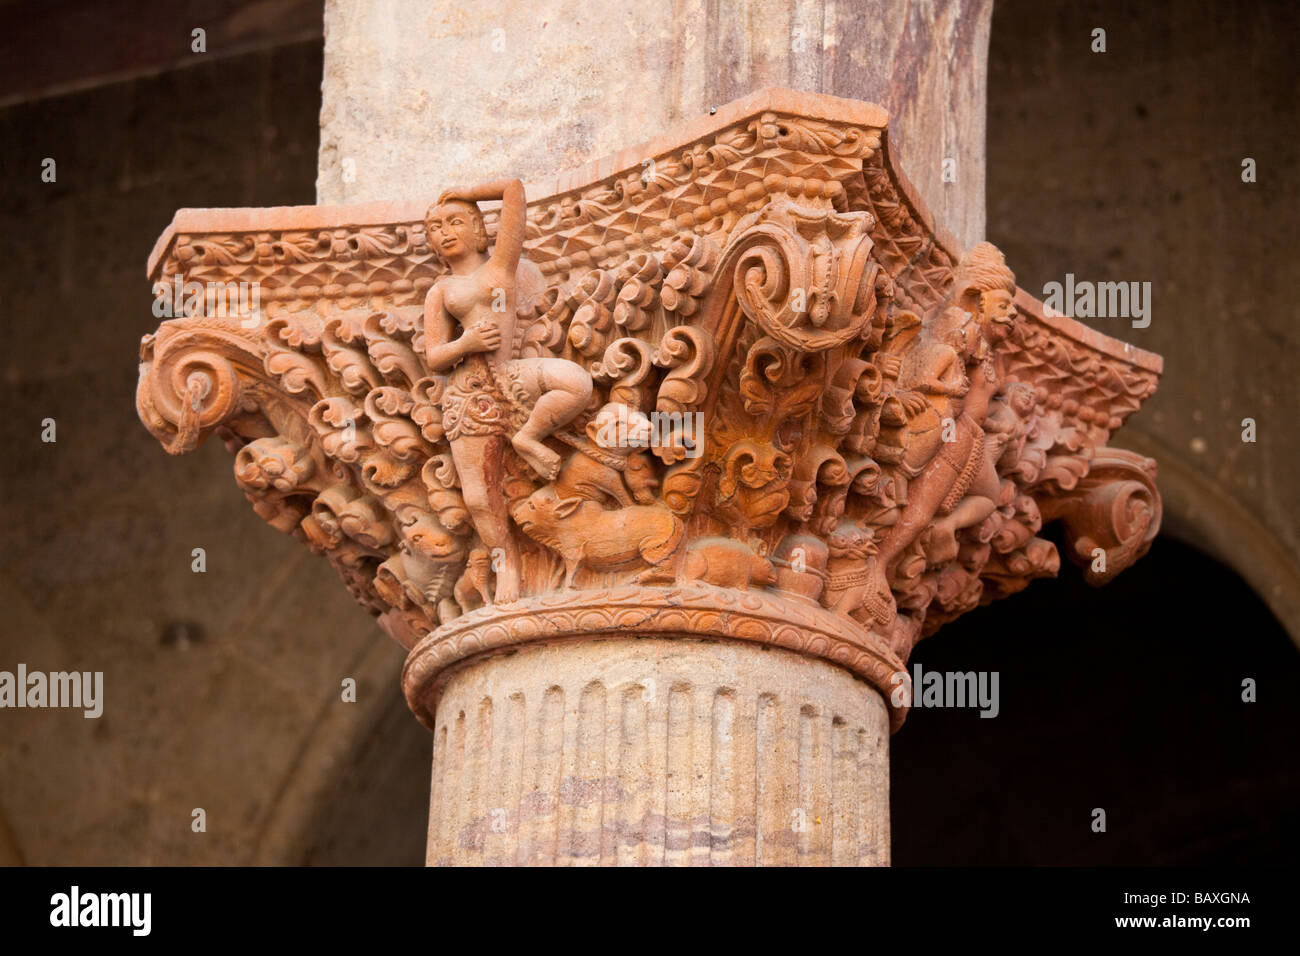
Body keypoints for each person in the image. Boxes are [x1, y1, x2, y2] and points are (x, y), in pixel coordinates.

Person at [422, 179, 592, 602]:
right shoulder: (441, 291)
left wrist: (464, 189)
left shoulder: (500, 265)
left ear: (479, 229)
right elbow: (433, 357)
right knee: (480, 496)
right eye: (435, 227)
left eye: (454, 221)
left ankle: (528, 435)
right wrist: (466, 344)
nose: (443, 231)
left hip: (511, 374)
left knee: (576, 382)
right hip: (468, 392)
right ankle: (508, 566)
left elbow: (514, 193)